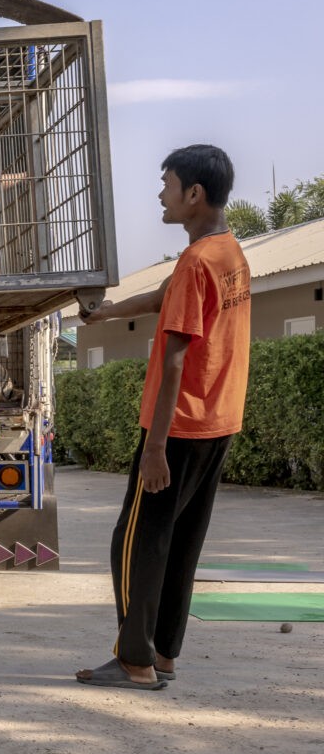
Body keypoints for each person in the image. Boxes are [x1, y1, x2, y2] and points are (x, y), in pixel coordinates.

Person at [74, 144, 251, 690]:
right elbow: (162, 297)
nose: (160, 194)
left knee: (135, 541)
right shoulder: (226, 252)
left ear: (193, 194)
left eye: (167, 184)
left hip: (178, 427)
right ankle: (165, 652)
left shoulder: (198, 261)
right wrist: (106, 313)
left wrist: (155, 446)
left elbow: (175, 356)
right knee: (180, 541)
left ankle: (135, 661)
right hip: (217, 421)